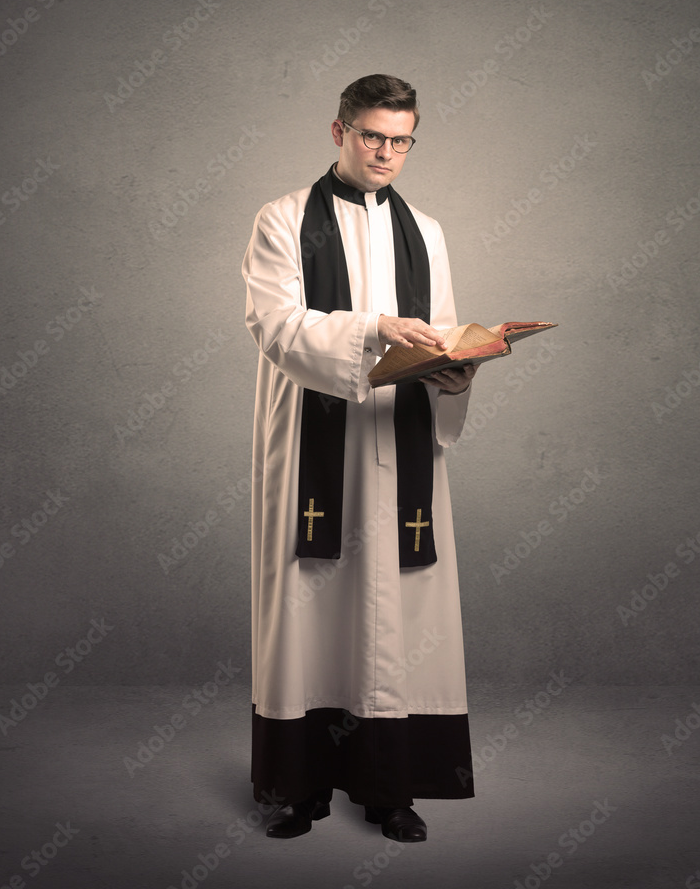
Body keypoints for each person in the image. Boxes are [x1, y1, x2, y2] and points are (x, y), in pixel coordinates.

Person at [241, 73, 477, 843]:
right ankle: (295, 788)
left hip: (398, 442)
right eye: (372, 134)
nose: (385, 151)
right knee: (308, 606)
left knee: (399, 610)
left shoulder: (428, 232)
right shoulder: (282, 220)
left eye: (399, 139)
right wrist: (373, 327)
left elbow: (438, 330)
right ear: (338, 131)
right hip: (316, 438)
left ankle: (390, 786)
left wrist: (454, 368)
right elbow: (275, 327)